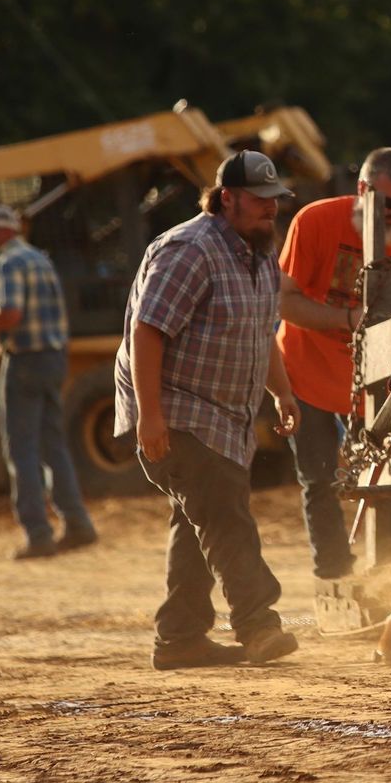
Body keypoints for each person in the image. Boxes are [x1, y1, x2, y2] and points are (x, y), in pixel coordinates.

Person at [113, 150, 303, 670]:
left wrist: (282, 392)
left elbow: (261, 332)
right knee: (225, 516)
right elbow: (147, 331)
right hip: (179, 410)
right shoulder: (189, 249)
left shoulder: (261, 252)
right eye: (261, 201)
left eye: (275, 201)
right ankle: (258, 625)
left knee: (198, 521)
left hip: (226, 417)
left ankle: (179, 639)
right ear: (226, 199)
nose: (271, 209)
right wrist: (151, 416)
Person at [277, 147, 391, 579]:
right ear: (363, 190)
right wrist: (350, 320)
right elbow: (284, 302)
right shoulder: (315, 221)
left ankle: (387, 577)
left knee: (389, 476)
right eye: (388, 204)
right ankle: (334, 575)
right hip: (306, 371)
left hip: (373, 381)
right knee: (320, 481)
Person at [0, 203, 98, 560]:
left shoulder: (8, 262)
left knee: (21, 449)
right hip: (54, 358)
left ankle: (38, 534)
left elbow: (10, 314)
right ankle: (77, 524)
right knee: (54, 445)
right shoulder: (38, 258)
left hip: (23, 360)